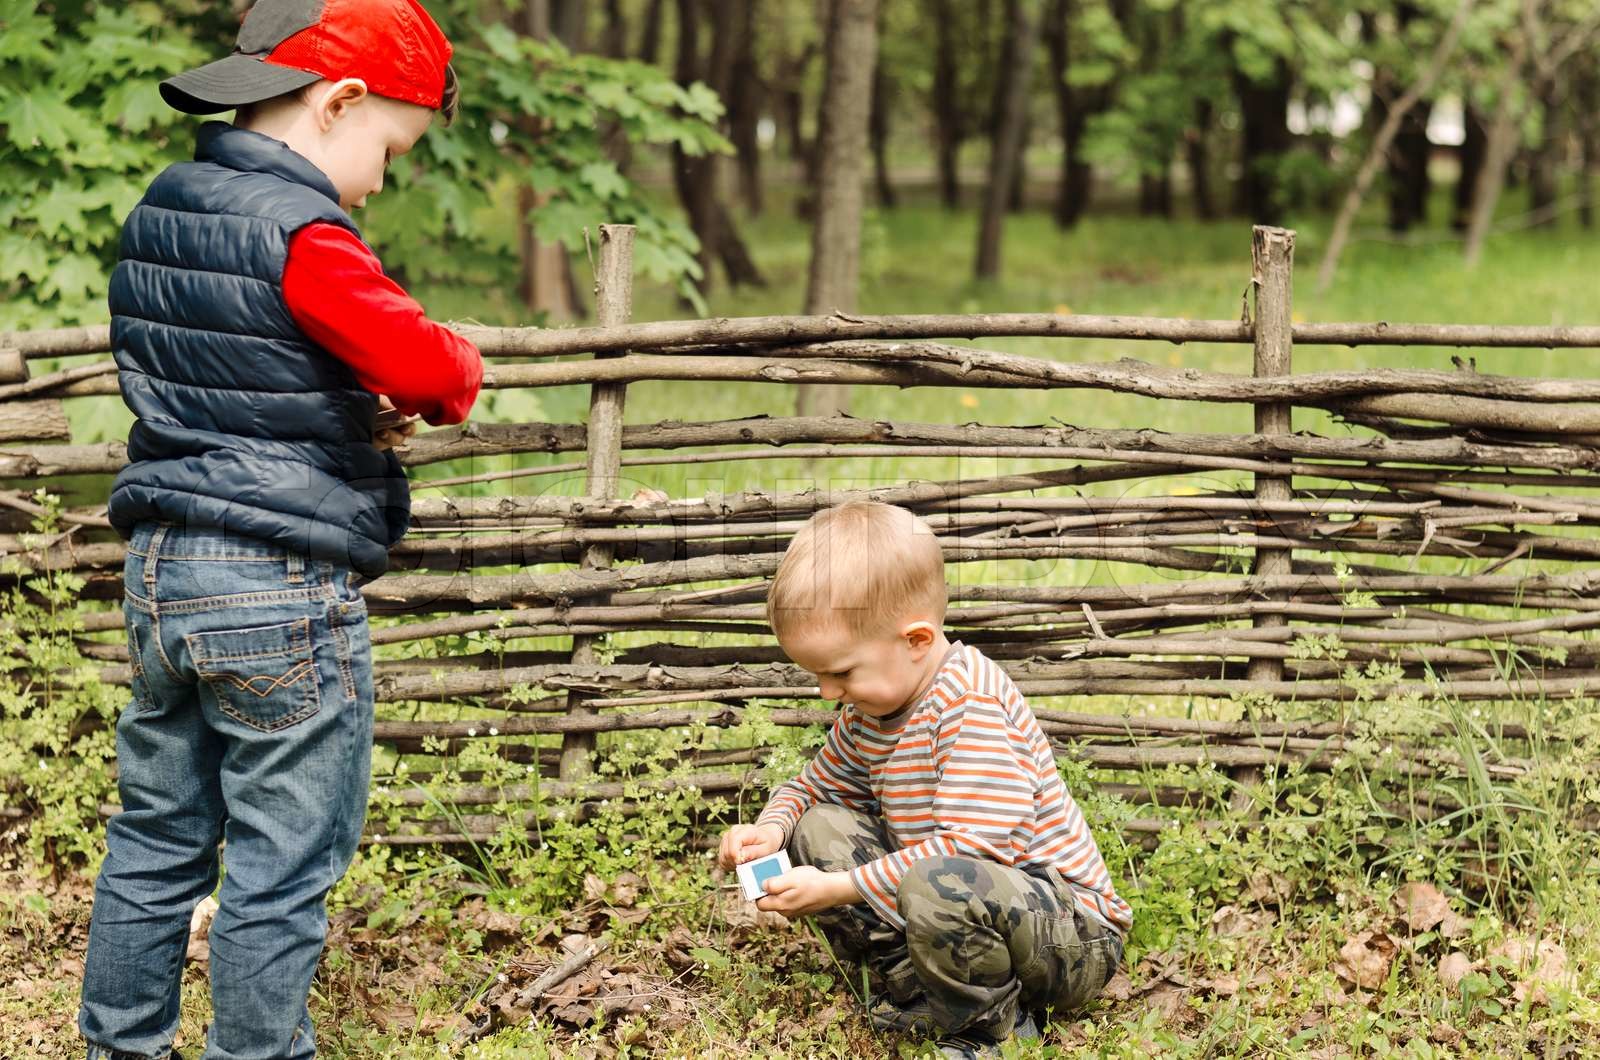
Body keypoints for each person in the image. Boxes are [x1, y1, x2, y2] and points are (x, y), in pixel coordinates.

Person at [78, 2, 482, 1057]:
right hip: (277, 584)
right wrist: (453, 369)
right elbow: (426, 365)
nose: (383, 181)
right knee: (280, 860)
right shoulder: (304, 233)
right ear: (338, 102)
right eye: (389, 150)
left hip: (166, 569)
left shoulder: (166, 207)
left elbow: (232, 374)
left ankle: (120, 1045)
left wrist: (339, 402)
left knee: (159, 836)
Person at [718, 501, 1132, 1058]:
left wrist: (841, 887)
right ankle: (921, 991)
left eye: (840, 672)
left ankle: (990, 1031)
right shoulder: (872, 714)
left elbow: (976, 849)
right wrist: (769, 832)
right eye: (817, 675)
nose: (826, 692)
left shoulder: (970, 704)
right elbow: (812, 787)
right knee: (817, 826)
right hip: (957, 901)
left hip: (1069, 935)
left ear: (915, 640)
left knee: (937, 882)